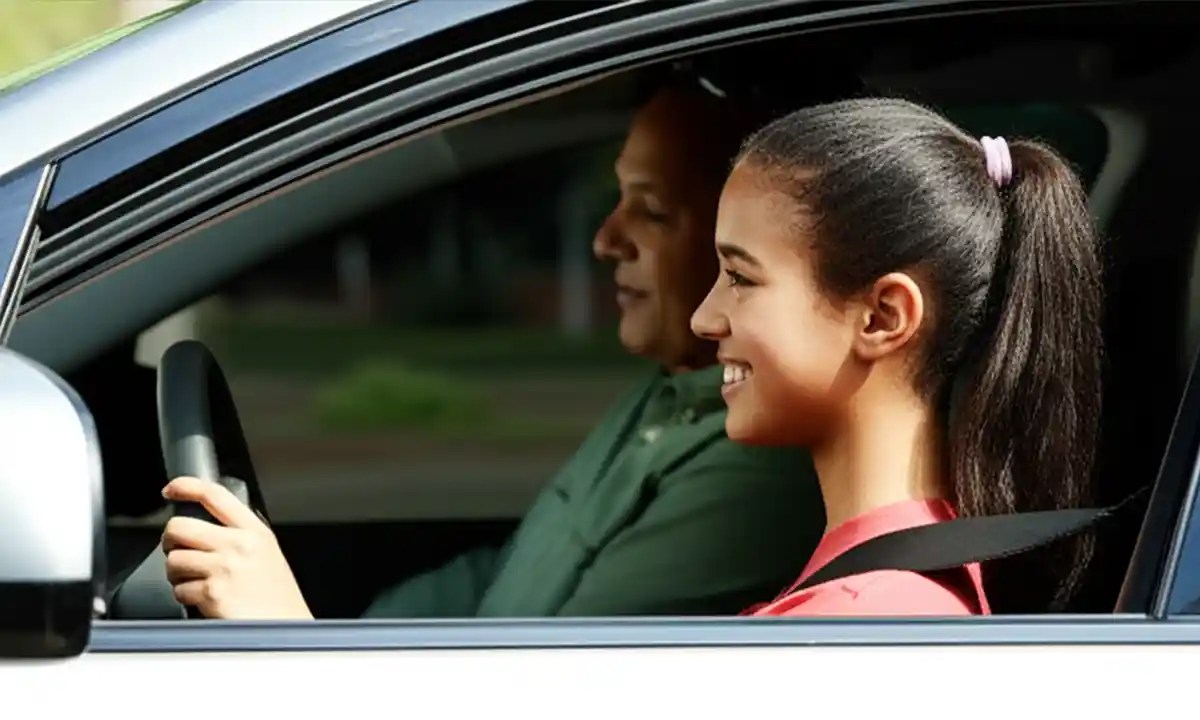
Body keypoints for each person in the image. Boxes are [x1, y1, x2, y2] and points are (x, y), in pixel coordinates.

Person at [156, 75, 826, 620]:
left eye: (650, 211)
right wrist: (341, 637)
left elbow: (558, 683)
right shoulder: (665, 392)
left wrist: (289, 636)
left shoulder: (756, 464)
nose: (604, 240)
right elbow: (506, 575)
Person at [690, 97, 1104, 617]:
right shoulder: (883, 596)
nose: (703, 319)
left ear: (883, 317)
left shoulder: (856, 619)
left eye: (740, 278)